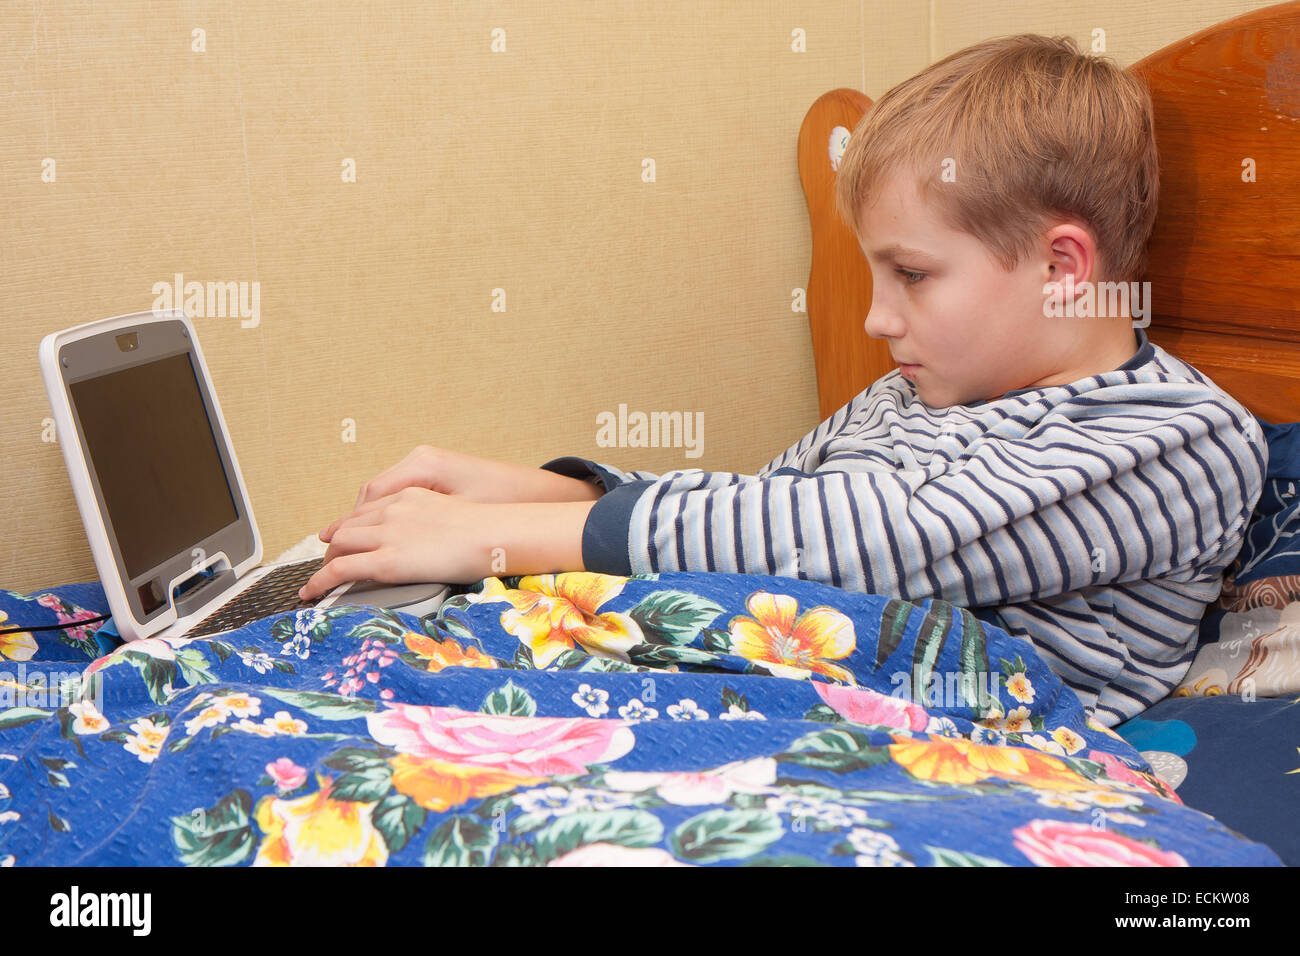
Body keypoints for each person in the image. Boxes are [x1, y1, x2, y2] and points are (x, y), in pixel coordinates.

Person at [298, 34, 1265, 726]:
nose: (877, 317)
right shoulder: (921, 386)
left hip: (938, 741)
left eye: (913, 275)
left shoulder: (1181, 437)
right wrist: (562, 491)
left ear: (1060, 268)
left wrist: (507, 536)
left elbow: (885, 541)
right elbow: (772, 513)